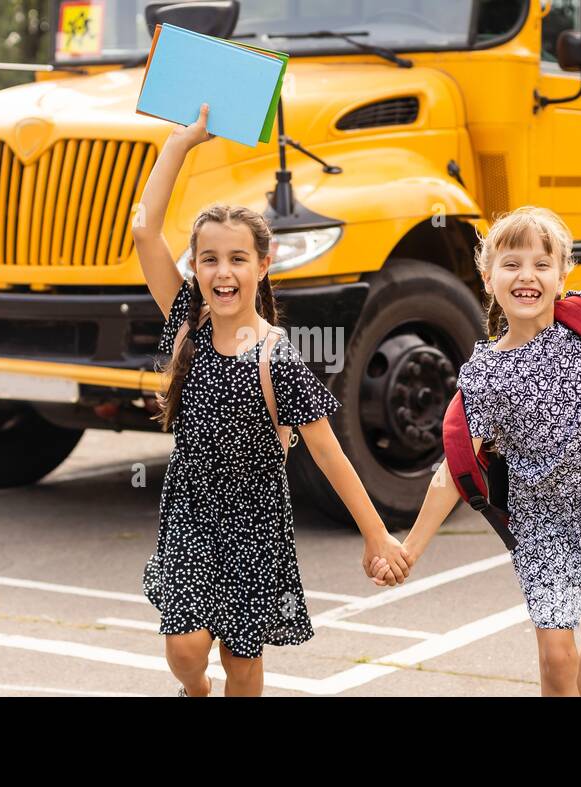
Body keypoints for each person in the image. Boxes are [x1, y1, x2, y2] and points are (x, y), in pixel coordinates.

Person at [372, 130, 581, 696]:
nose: (527, 275)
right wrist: (408, 548)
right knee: (557, 659)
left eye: (541, 263)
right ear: (488, 278)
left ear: (562, 277)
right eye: (511, 264)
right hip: (543, 526)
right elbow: (452, 469)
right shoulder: (483, 373)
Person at [134, 104, 412, 697]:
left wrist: (377, 534)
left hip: (255, 521)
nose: (222, 271)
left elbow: (330, 455)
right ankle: (194, 689)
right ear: (196, 268)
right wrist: (182, 143)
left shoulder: (275, 358)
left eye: (237, 258)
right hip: (189, 511)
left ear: (264, 265)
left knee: (242, 661)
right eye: (209, 259)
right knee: (185, 648)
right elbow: (144, 231)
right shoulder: (187, 322)